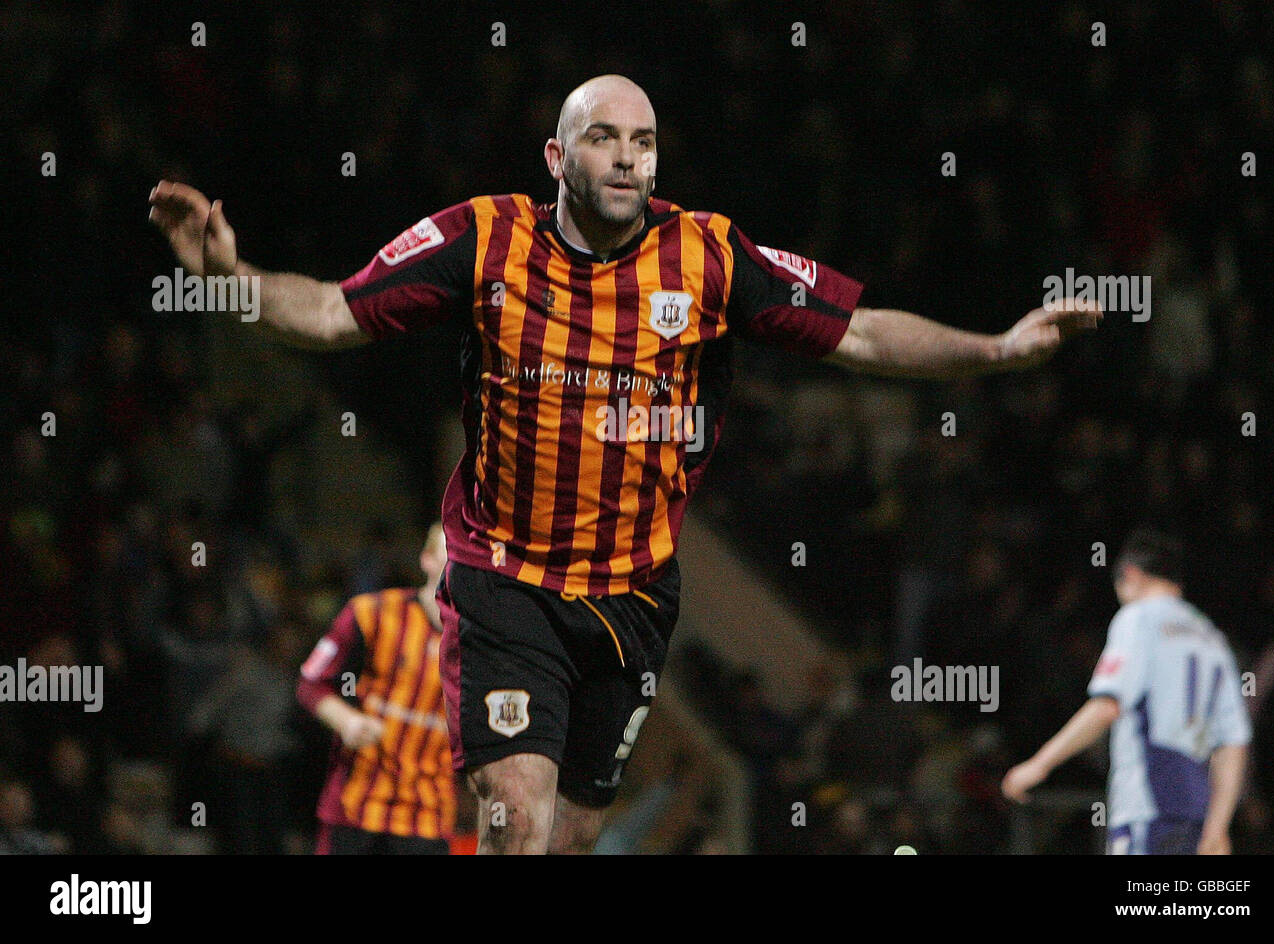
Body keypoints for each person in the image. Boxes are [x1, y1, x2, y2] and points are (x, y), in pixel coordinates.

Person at [149, 74, 1098, 854]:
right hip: (505, 584)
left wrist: (999, 350)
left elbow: (862, 337)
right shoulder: (482, 239)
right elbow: (328, 314)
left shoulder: (709, 257)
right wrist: (229, 280)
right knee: (515, 821)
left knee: (568, 839)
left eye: (641, 143)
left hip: (633, 601)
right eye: (604, 138)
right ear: (559, 157)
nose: (627, 158)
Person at [1001, 530, 1252, 854]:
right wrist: (1217, 827)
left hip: (1148, 802)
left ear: (1130, 574)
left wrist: (1039, 763)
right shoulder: (1212, 638)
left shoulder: (1138, 619)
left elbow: (1107, 706)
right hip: (1195, 810)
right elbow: (1233, 743)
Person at [297, 523, 457, 854]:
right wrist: (347, 721)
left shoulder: (483, 644)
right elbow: (311, 683)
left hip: (428, 814)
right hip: (358, 802)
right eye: (449, 553)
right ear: (427, 560)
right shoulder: (371, 613)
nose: (459, 564)